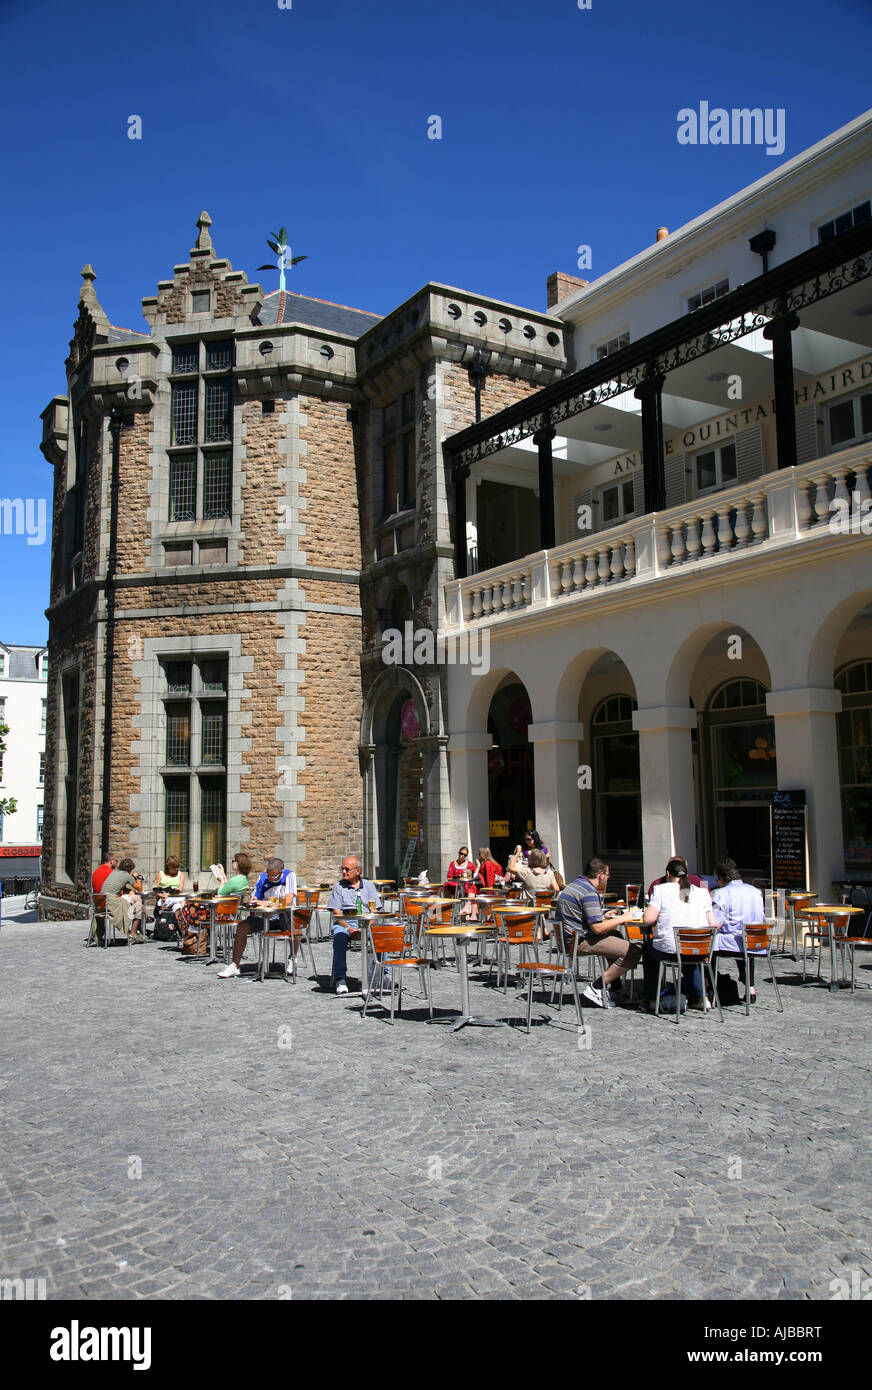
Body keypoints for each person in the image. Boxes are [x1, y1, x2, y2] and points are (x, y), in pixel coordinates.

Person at [555, 857, 641, 1008]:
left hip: (569, 938)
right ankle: (597, 987)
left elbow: (584, 919)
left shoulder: (575, 885)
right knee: (633, 951)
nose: (607, 878)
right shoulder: (589, 892)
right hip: (579, 942)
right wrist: (623, 918)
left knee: (616, 935)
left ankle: (616, 988)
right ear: (601, 875)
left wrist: (603, 917)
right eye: (607, 875)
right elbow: (597, 928)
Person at [642, 857, 717, 1012]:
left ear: (668, 874)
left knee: (649, 949)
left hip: (672, 948)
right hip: (699, 948)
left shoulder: (661, 889)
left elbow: (648, 919)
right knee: (689, 954)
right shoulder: (703, 892)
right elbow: (712, 924)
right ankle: (701, 996)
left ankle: (652, 997)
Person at [217, 856, 292, 978]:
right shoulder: (262, 878)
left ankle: (292, 959)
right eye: (269, 875)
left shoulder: (289, 876)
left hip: (283, 916)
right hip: (265, 917)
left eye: (274, 876)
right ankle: (234, 966)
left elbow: (288, 900)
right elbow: (255, 896)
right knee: (242, 927)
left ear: (281, 872)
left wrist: (267, 903)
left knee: (294, 924)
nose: (271, 878)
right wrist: (254, 900)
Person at [711, 858, 766, 1004]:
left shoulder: (721, 894)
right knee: (746, 937)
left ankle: (708, 985)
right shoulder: (755, 891)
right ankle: (751, 987)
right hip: (756, 942)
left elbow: (716, 923)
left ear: (722, 878)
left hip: (735, 943)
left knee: (711, 942)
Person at [327, 856, 381, 995]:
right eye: (342, 869)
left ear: (358, 871)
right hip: (346, 922)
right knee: (339, 937)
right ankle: (340, 978)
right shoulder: (339, 887)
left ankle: (380, 975)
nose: (344, 872)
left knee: (381, 936)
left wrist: (366, 927)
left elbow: (375, 910)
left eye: (347, 869)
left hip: (366, 922)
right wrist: (349, 929)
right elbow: (336, 911)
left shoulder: (368, 885)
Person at [100, 857, 145, 943]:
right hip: (112, 904)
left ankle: (136, 929)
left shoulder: (114, 872)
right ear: (130, 869)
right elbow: (140, 889)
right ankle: (133, 934)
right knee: (139, 905)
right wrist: (136, 878)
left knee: (136, 901)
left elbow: (119, 886)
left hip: (101, 902)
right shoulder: (127, 875)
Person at [460, 847, 504, 921]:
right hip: (498, 886)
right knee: (473, 888)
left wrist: (489, 891)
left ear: (482, 855)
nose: (478, 856)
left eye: (479, 854)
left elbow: (490, 880)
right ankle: (470, 911)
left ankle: (469, 909)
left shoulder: (487, 864)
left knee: (473, 888)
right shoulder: (491, 863)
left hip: (496, 888)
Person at [153, 855, 186, 934]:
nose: (176, 869)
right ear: (168, 866)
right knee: (179, 905)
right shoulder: (161, 874)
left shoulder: (180, 874)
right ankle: (182, 930)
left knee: (178, 907)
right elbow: (155, 889)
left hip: (176, 897)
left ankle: (182, 930)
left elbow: (180, 889)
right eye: (174, 867)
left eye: (177, 867)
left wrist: (173, 892)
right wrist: (162, 895)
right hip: (164, 897)